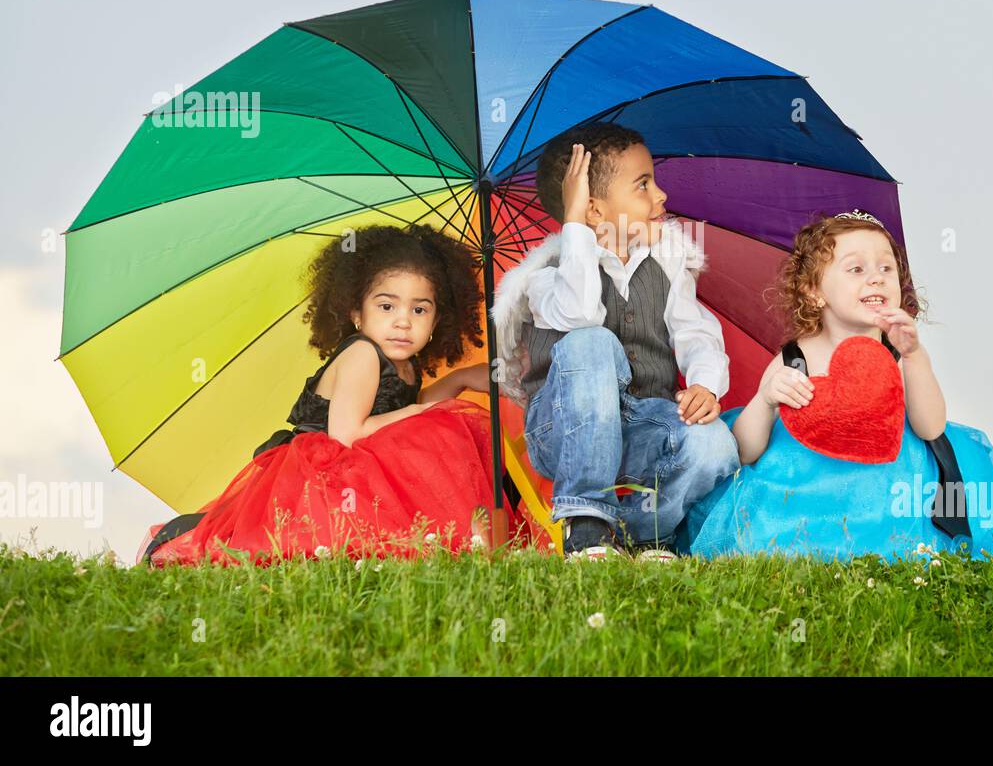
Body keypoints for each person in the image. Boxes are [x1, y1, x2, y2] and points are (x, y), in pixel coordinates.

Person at [678, 210, 993, 562]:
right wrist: (765, 400)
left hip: (895, 481)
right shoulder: (795, 358)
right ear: (814, 291)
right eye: (856, 269)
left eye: (886, 268)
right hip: (804, 481)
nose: (875, 277)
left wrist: (915, 357)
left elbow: (930, 427)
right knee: (779, 525)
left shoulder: (897, 352)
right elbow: (744, 451)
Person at [138, 223, 525, 567]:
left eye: (420, 310)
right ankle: (177, 537)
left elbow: (408, 407)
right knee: (441, 426)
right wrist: (436, 410)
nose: (403, 321)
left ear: (437, 320)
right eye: (387, 306)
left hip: (355, 467)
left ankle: (475, 541)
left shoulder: (405, 363)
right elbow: (348, 434)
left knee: (445, 422)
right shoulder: (361, 354)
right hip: (320, 472)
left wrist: (458, 380)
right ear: (357, 313)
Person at [491, 122, 740, 561]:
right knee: (591, 341)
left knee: (714, 443)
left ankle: (643, 534)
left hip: (643, 429)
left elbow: (696, 333)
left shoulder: (666, 265)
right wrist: (574, 229)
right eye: (643, 185)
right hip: (564, 433)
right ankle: (586, 523)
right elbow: (581, 312)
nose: (660, 196)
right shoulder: (544, 278)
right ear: (592, 210)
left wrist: (705, 383)